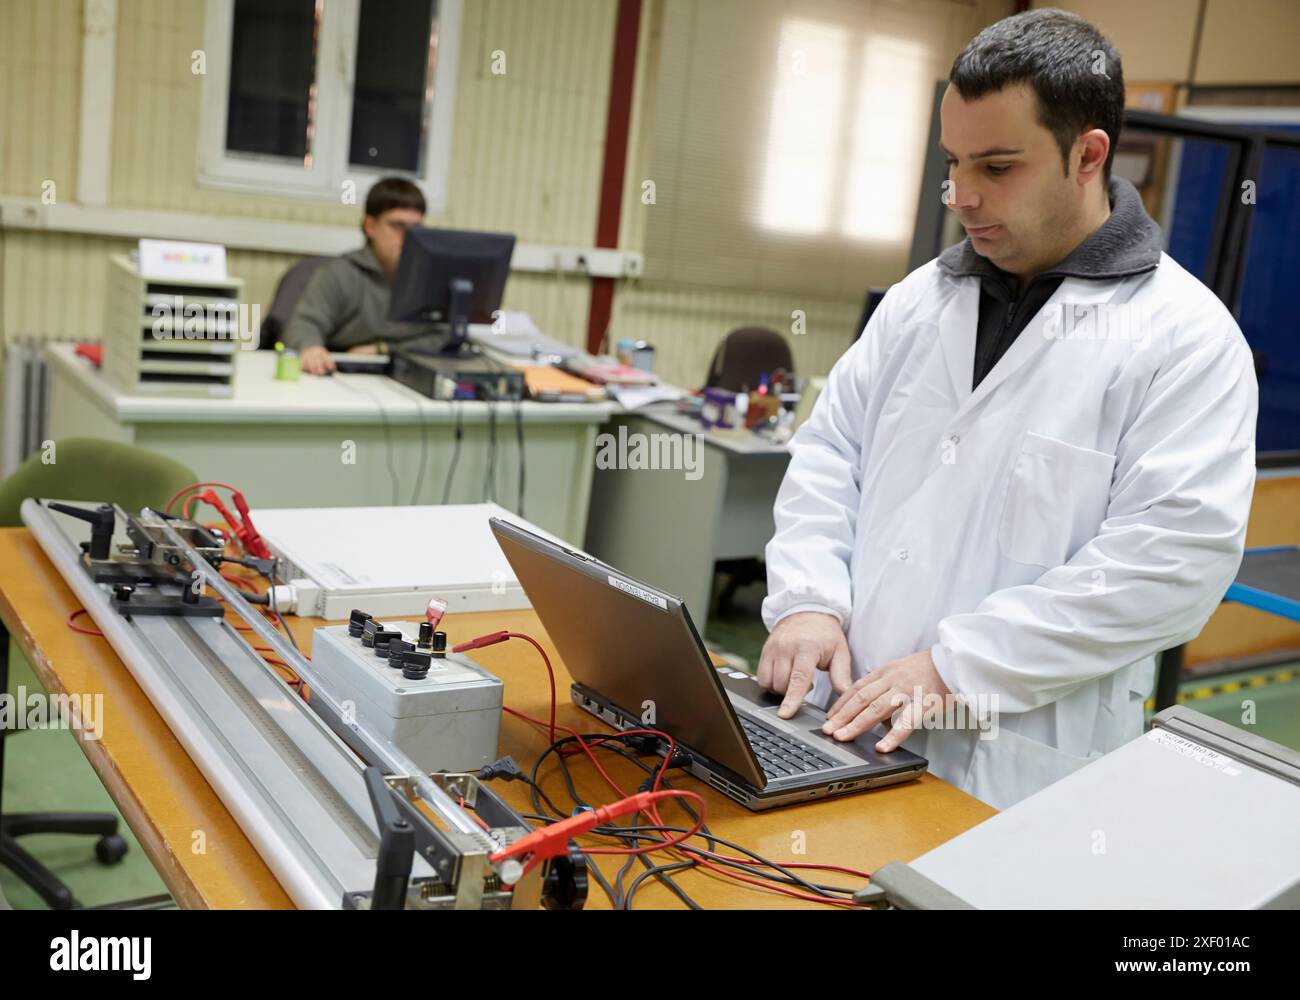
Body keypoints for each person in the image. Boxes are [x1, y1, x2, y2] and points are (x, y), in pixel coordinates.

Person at [758, 9, 1257, 809]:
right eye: (954, 162)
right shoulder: (922, 301)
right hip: (838, 727)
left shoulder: (1185, 339)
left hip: (1011, 767)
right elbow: (829, 456)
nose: (962, 195)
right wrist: (810, 602)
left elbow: (1173, 562)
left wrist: (957, 668)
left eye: (997, 166)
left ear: (1089, 155)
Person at [280, 176, 445, 374]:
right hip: (340, 373)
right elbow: (303, 325)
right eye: (397, 226)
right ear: (371, 226)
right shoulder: (340, 273)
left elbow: (444, 336)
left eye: (415, 228)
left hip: (403, 374)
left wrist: (382, 350)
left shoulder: (428, 280)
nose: (408, 237)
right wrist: (310, 348)